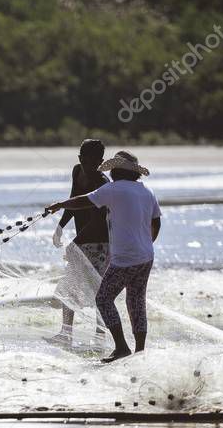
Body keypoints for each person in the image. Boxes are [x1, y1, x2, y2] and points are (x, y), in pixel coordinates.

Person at [45, 150, 161, 363]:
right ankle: (140, 351)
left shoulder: (113, 189)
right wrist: (144, 245)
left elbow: (83, 201)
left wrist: (60, 204)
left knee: (103, 299)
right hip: (146, 257)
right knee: (136, 300)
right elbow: (156, 223)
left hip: (125, 259)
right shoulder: (147, 191)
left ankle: (121, 347)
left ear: (117, 171)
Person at [49, 139, 110, 346]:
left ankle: (100, 336)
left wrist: (75, 242)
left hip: (101, 243)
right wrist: (60, 226)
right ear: (79, 158)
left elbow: (99, 219)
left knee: (99, 291)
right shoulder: (77, 171)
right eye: (84, 160)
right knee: (70, 285)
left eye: (93, 162)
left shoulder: (103, 183)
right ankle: (66, 333)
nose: (88, 165)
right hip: (82, 239)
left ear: (101, 162)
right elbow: (74, 200)